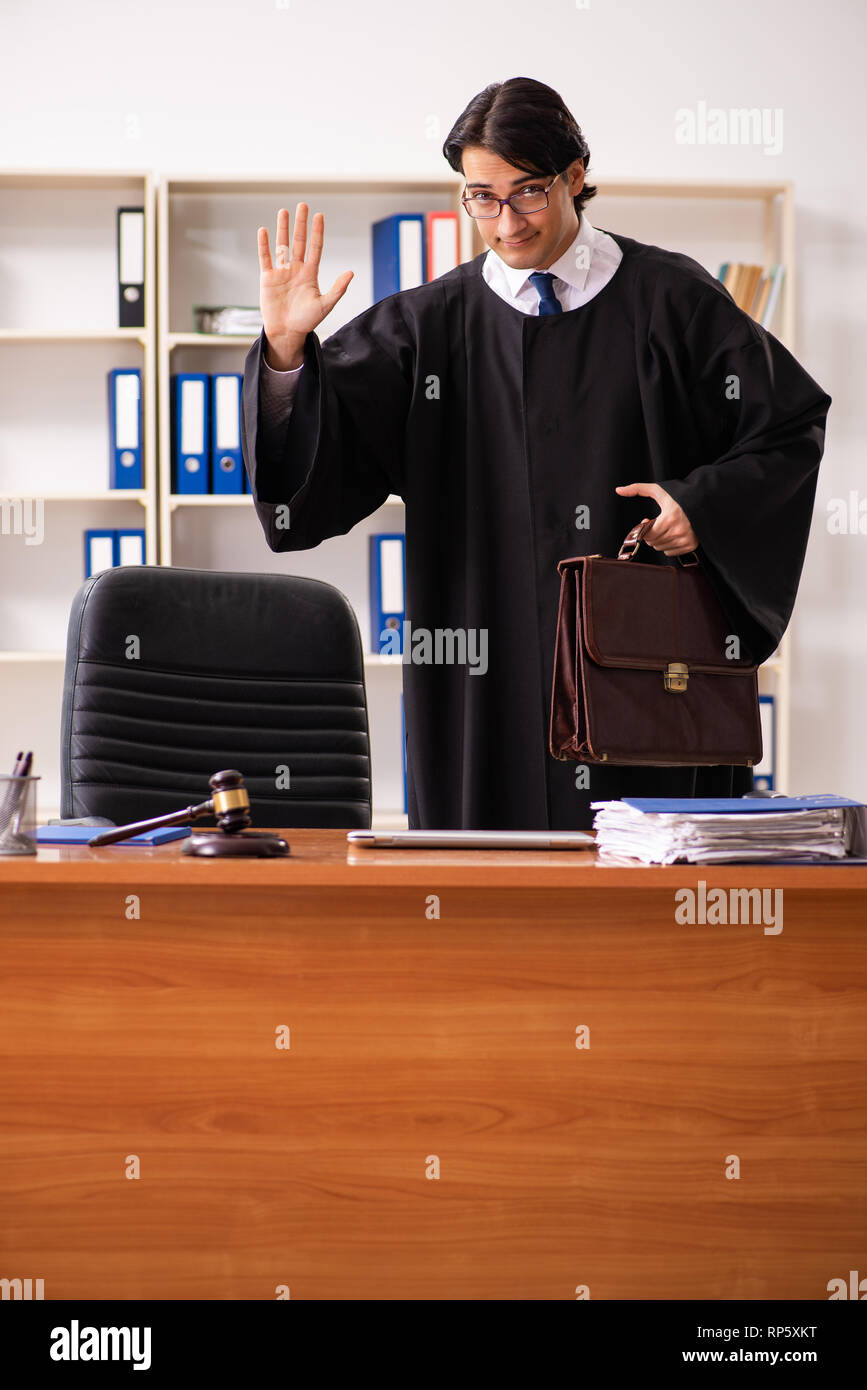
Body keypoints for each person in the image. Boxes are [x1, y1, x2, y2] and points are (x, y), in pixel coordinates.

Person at [241, 76, 832, 831]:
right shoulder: (428, 327)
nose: (504, 221)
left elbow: (788, 424)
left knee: (647, 905)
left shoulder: (670, 301)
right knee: (490, 906)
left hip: (646, 663)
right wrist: (288, 353)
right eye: (479, 196)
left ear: (574, 178)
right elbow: (308, 477)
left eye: (525, 193)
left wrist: (702, 506)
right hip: (477, 666)